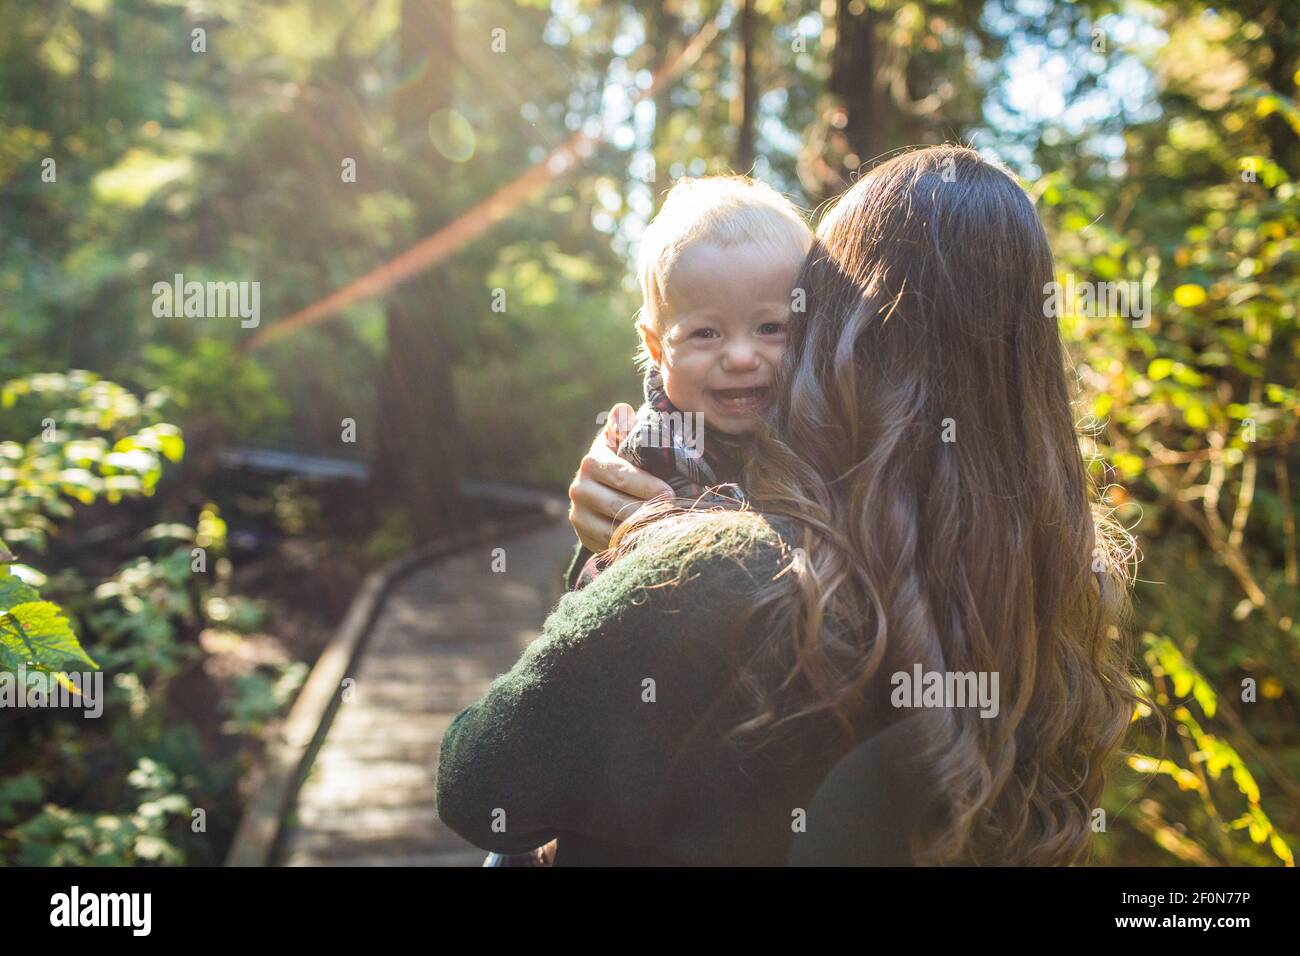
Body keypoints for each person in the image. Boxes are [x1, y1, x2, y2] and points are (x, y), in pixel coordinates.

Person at [436, 145, 1140, 866]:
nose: (749, 359)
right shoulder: (1051, 601)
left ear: (841, 333)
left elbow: (477, 782)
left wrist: (630, 556)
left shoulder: (723, 574)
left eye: (781, 324)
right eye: (708, 333)